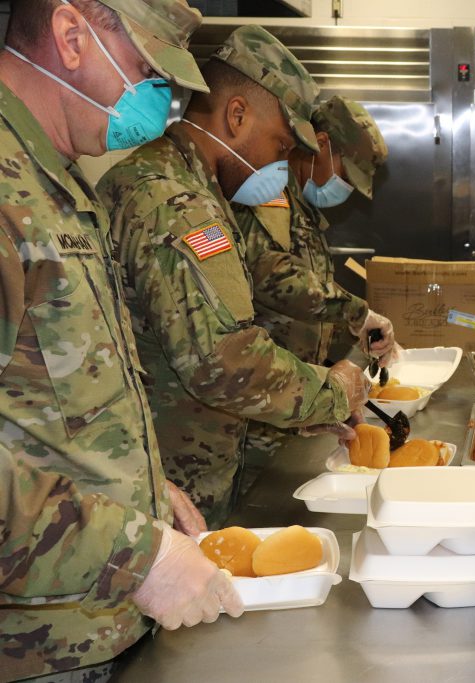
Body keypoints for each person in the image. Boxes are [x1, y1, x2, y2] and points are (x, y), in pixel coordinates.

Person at [0, 1, 243, 679]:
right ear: (72, 35)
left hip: (95, 627)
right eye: (144, 69)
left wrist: (137, 480)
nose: (158, 100)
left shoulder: (56, 180)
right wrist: (137, 554)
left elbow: (41, 400)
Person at [96, 26, 371, 529]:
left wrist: (304, 407)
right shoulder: (174, 201)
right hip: (172, 484)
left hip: (186, 473)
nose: (282, 166)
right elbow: (222, 361)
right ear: (237, 114)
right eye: (281, 145)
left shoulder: (195, 189)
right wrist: (334, 390)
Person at [233, 95, 393, 484]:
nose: (344, 189)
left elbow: (308, 292)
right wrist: (356, 311)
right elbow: (272, 274)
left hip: (292, 399)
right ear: (321, 144)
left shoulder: (300, 205)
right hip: (257, 410)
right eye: (344, 172)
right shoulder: (267, 193)